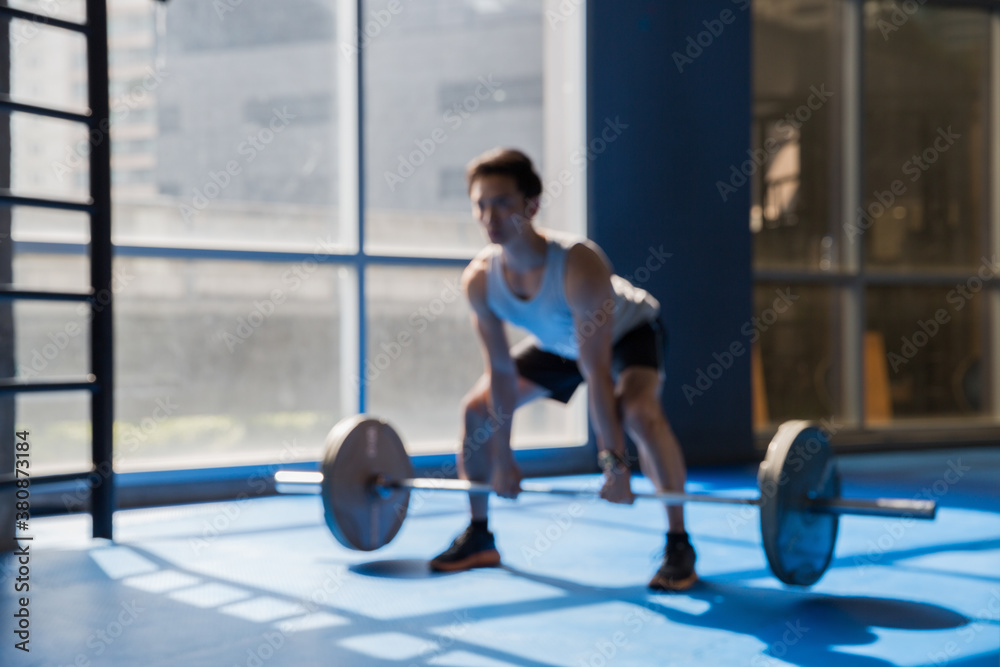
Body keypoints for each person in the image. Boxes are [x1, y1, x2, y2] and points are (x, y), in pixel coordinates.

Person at [429, 148, 696, 591]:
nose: (489, 216)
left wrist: (613, 464)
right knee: (476, 410)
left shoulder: (578, 264)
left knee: (638, 414)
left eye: (503, 203)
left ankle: (678, 542)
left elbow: (596, 372)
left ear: (531, 206)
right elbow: (499, 371)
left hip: (627, 334)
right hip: (560, 344)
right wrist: (504, 458)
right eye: (481, 204)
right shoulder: (480, 279)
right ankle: (479, 535)